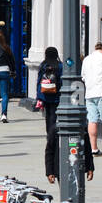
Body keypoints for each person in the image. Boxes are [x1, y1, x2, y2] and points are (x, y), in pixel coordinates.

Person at [36, 47, 64, 180]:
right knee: (56, 115)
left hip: (47, 96)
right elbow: (64, 81)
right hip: (57, 96)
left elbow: (38, 81)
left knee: (48, 117)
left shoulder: (43, 65)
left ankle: (50, 134)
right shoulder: (59, 66)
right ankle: (56, 132)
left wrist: (39, 97)